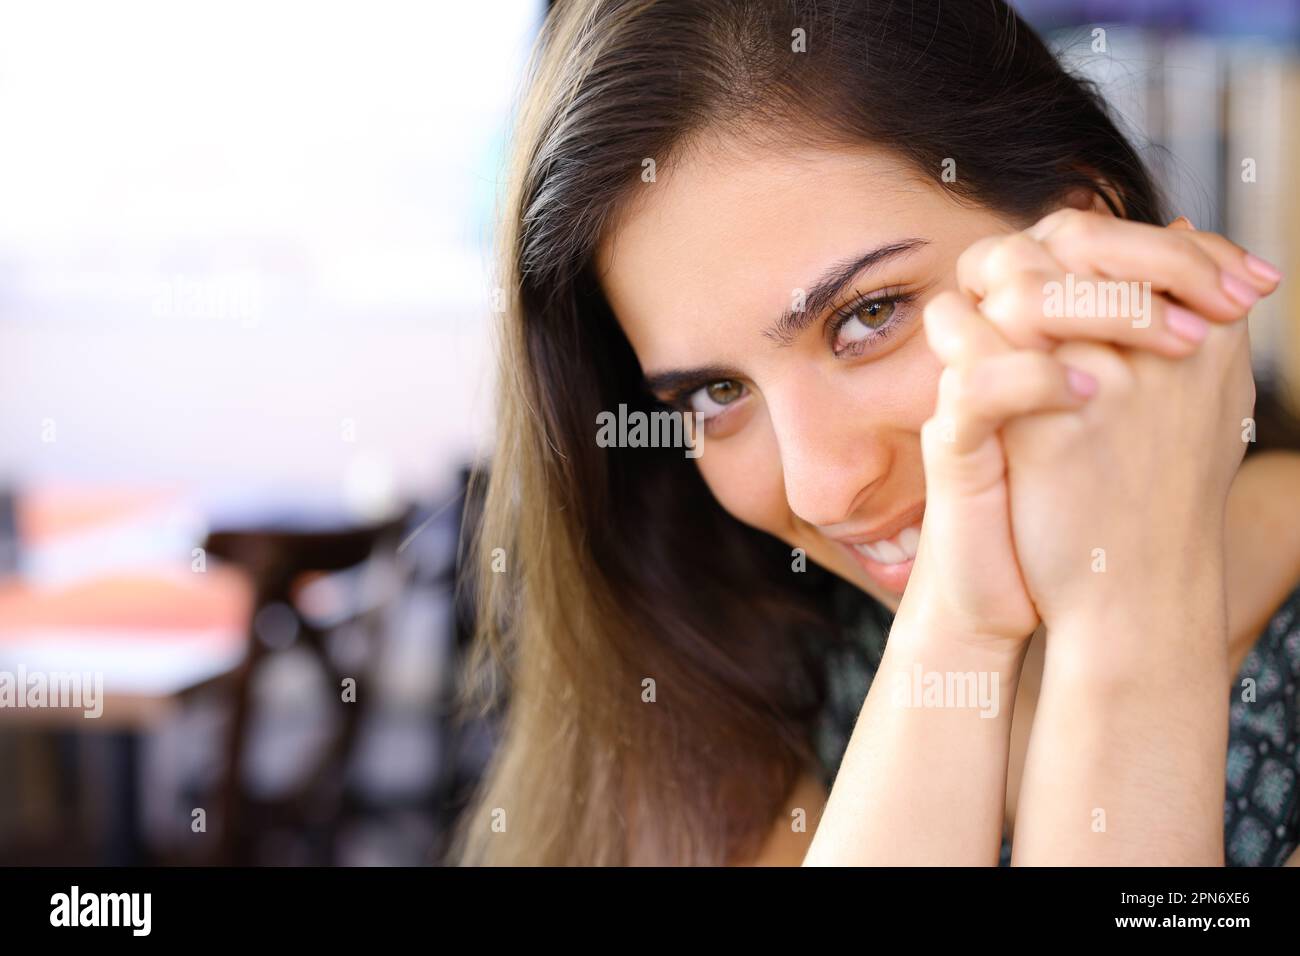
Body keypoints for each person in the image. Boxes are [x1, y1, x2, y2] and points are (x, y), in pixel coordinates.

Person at [451, 0, 1300, 865]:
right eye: (714, 392)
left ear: (1087, 239)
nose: (821, 489)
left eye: (869, 315)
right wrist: (958, 628)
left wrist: (1133, 610)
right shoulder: (738, 655)